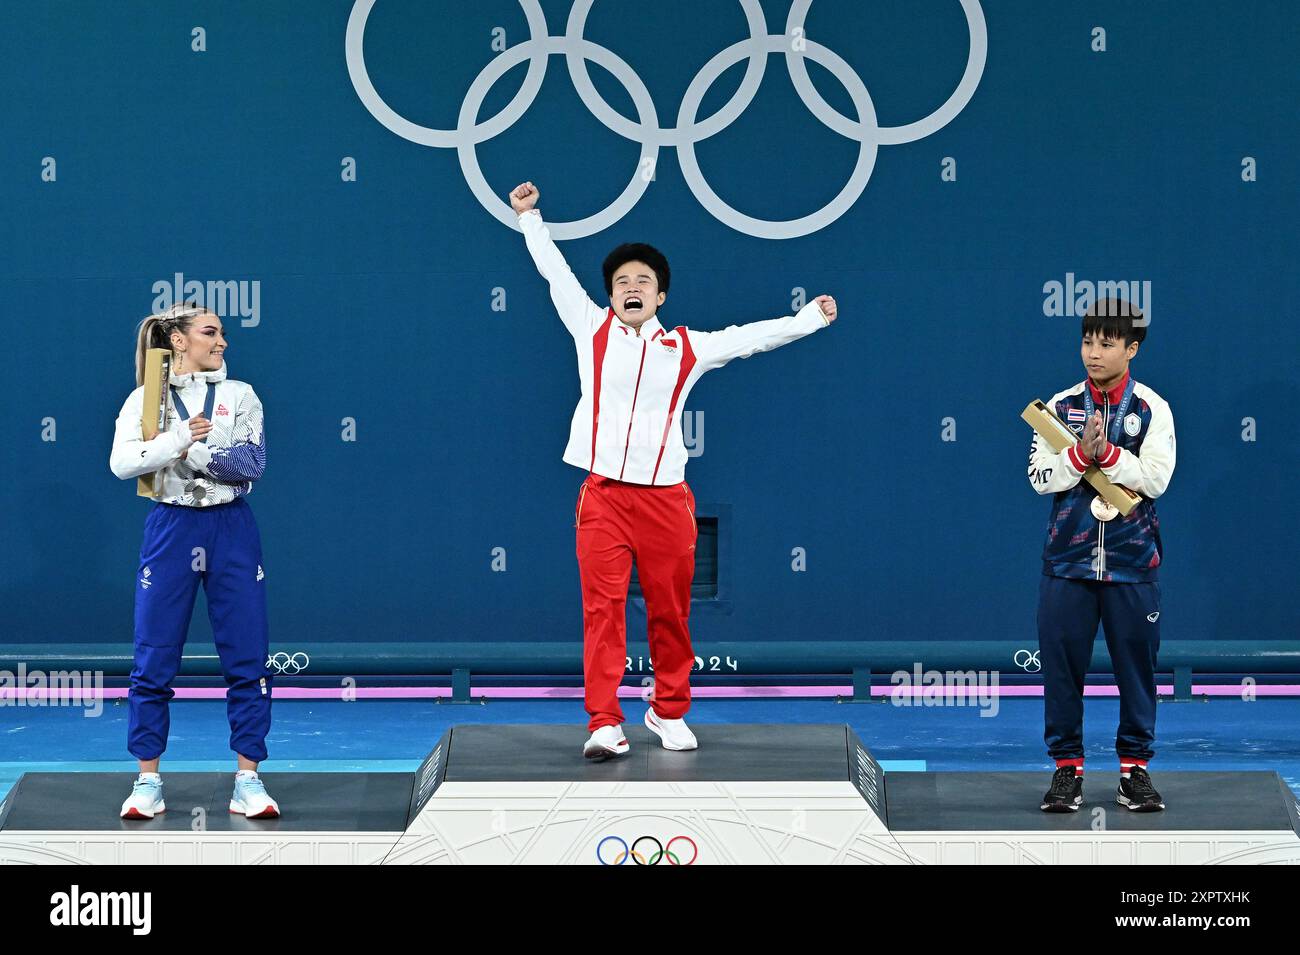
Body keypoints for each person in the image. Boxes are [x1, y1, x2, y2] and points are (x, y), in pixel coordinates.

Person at [509, 181, 838, 760]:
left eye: (643, 281)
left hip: (666, 501)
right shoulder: (590, 329)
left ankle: (667, 711)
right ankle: (604, 722)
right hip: (603, 497)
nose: (631, 288)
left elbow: (751, 339)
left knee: (670, 613)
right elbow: (555, 273)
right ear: (610, 295)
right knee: (602, 611)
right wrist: (530, 218)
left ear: (660, 296)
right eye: (621, 282)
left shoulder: (687, 347)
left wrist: (808, 319)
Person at [109, 301, 279, 819]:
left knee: (248, 655)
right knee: (153, 657)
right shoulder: (146, 399)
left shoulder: (240, 395)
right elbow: (122, 464)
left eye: (222, 333)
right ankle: (148, 781)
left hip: (231, 529)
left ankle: (248, 779)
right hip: (172, 528)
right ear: (179, 341)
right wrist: (179, 438)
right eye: (210, 332)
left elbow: (251, 465)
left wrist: (195, 454)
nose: (222, 341)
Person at [1027, 298, 1175, 812]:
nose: (1093, 352)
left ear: (1131, 349)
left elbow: (1156, 478)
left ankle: (1134, 773)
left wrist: (1108, 455)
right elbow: (1039, 477)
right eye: (1088, 341)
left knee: (1137, 673)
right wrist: (1077, 455)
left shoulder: (1152, 409)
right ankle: (1066, 770)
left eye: (1107, 343)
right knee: (1061, 672)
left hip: (1133, 565)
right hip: (1066, 564)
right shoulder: (1060, 406)